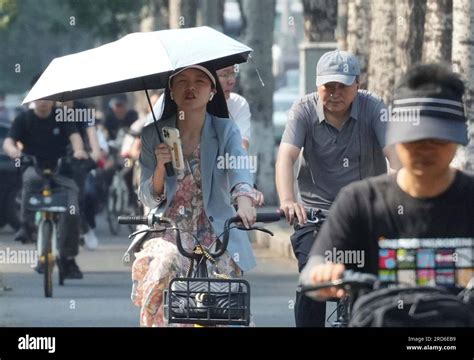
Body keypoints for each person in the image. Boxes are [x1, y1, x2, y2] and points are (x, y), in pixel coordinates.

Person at [300, 63, 474, 300]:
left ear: (456, 140)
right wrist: (321, 275)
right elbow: (315, 265)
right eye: (414, 141)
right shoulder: (360, 201)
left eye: (438, 141)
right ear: (395, 139)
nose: (425, 151)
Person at [132, 64, 263, 327]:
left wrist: (245, 202)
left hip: (216, 230)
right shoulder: (152, 134)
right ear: (171, 89)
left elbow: (239, 169)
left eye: (200, 81)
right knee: (164, 266)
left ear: (213, 90)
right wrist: (160, 167)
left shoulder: (226, 130)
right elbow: (147, 196)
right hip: (168, 230)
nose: (190, 88)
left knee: (226, 297)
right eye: (182, 82)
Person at [275, 50, 399, 327]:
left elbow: (395, 157)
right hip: (314, 215)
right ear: (318, 85)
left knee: (372, 281)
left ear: (357, 84)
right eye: (328, 86)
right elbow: (286, 157)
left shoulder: (373, 107)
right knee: (311, 280)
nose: (334, 93)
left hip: (367, 212)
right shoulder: (303, 110)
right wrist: (287, 200)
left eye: (342, 86)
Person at [2, 75, 88, 278]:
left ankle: (67, 258)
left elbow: (75, 137)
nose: (43, 100)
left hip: (61, 170)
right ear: (32, 97)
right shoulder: (23, 119)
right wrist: (15, 152)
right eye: (39, 96)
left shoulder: (62, 116)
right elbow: (9, 142)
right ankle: (26, 226)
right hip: (35, 167)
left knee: (72, 209)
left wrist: (79, 151)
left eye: (47, 95)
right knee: (29, 181)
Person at [216, 65, 251, 150]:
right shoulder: (194, 106)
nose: (231, 81)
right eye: (224, 75)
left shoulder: (239, 104)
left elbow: (241, 147)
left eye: (233, 73)